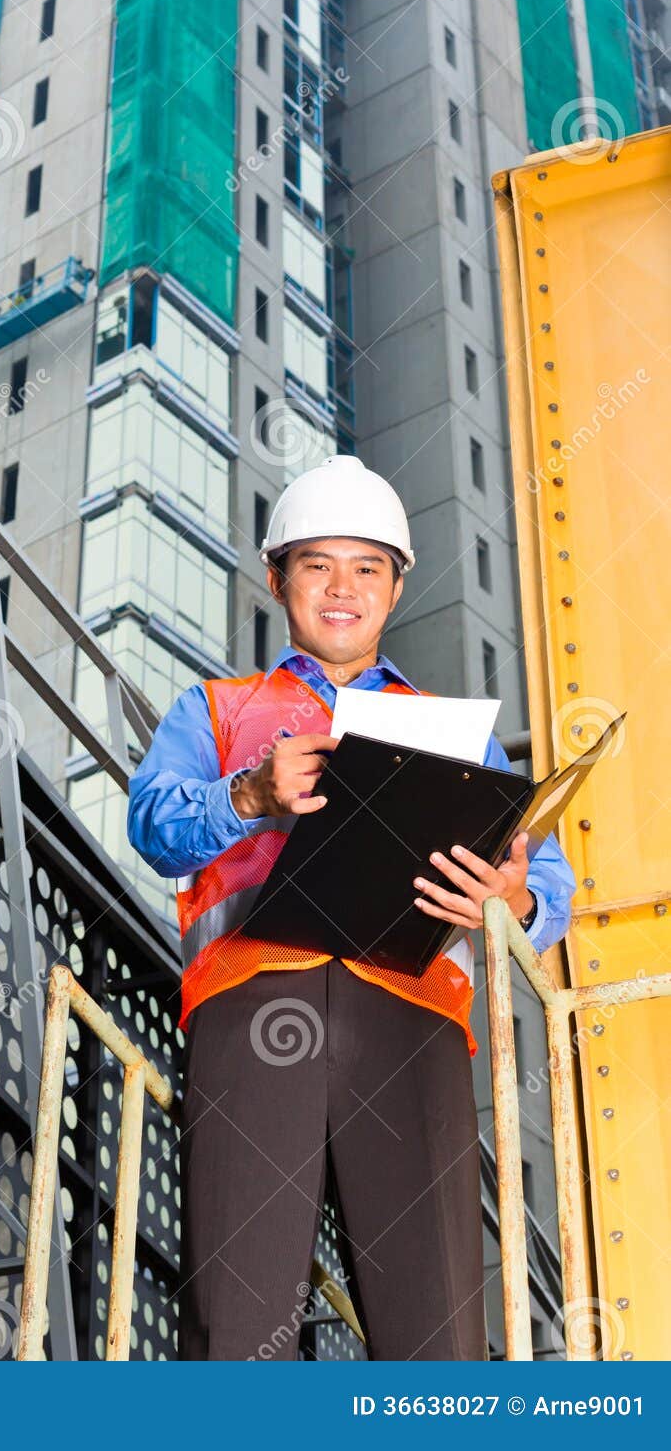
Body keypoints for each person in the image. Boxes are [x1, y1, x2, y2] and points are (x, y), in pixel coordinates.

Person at [127, 455, 576, 1361]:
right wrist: (246, 796)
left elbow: (551, 886)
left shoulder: (460, 735)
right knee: (238, 1304)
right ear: (275, 578)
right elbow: (152, 824)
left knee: (436, 1322)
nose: (342, 589)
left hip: (409, 1018)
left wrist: (510, 894)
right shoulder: (215, 710)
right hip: (254, 1011)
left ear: (397, 585)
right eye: (317, 565)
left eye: (366, 567)